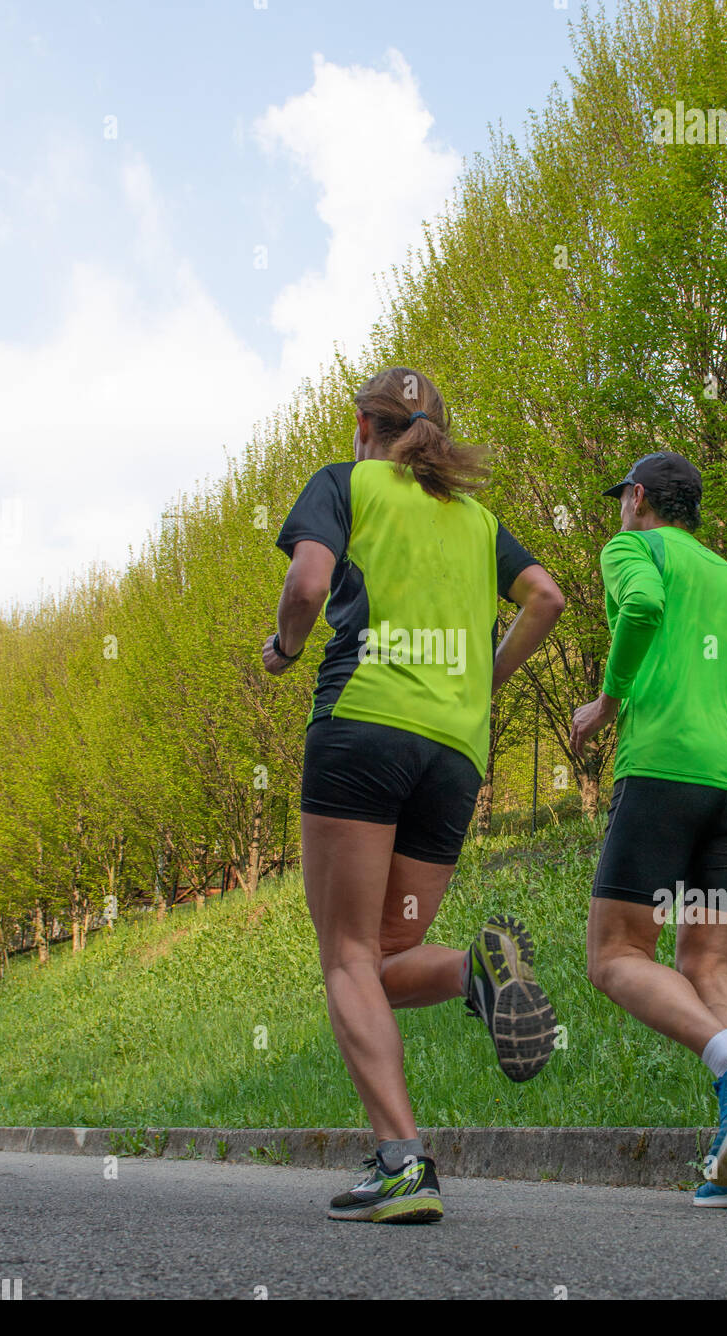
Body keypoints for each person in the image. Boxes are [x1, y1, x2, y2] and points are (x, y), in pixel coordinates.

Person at [265, 367, 566, 1223]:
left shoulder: (343, 484)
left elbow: (309, 586)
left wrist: (286, 650)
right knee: (388, 955)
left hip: (364, 723)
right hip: (455, 751)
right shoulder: (475, 520)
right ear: (432, 431)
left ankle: (403, 1164)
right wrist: (482, 681)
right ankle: (477, 973)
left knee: (346, 960)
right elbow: (545, 597)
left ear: (364, 425)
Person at [570, 450, 727, 1209]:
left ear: (638, 498)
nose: (618, 513)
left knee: (615, 955)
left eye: (621, 501)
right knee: (710, 967)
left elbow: (639, 608)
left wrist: (609, 701)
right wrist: (718, 709)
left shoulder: (631, 547)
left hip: (664, 770)